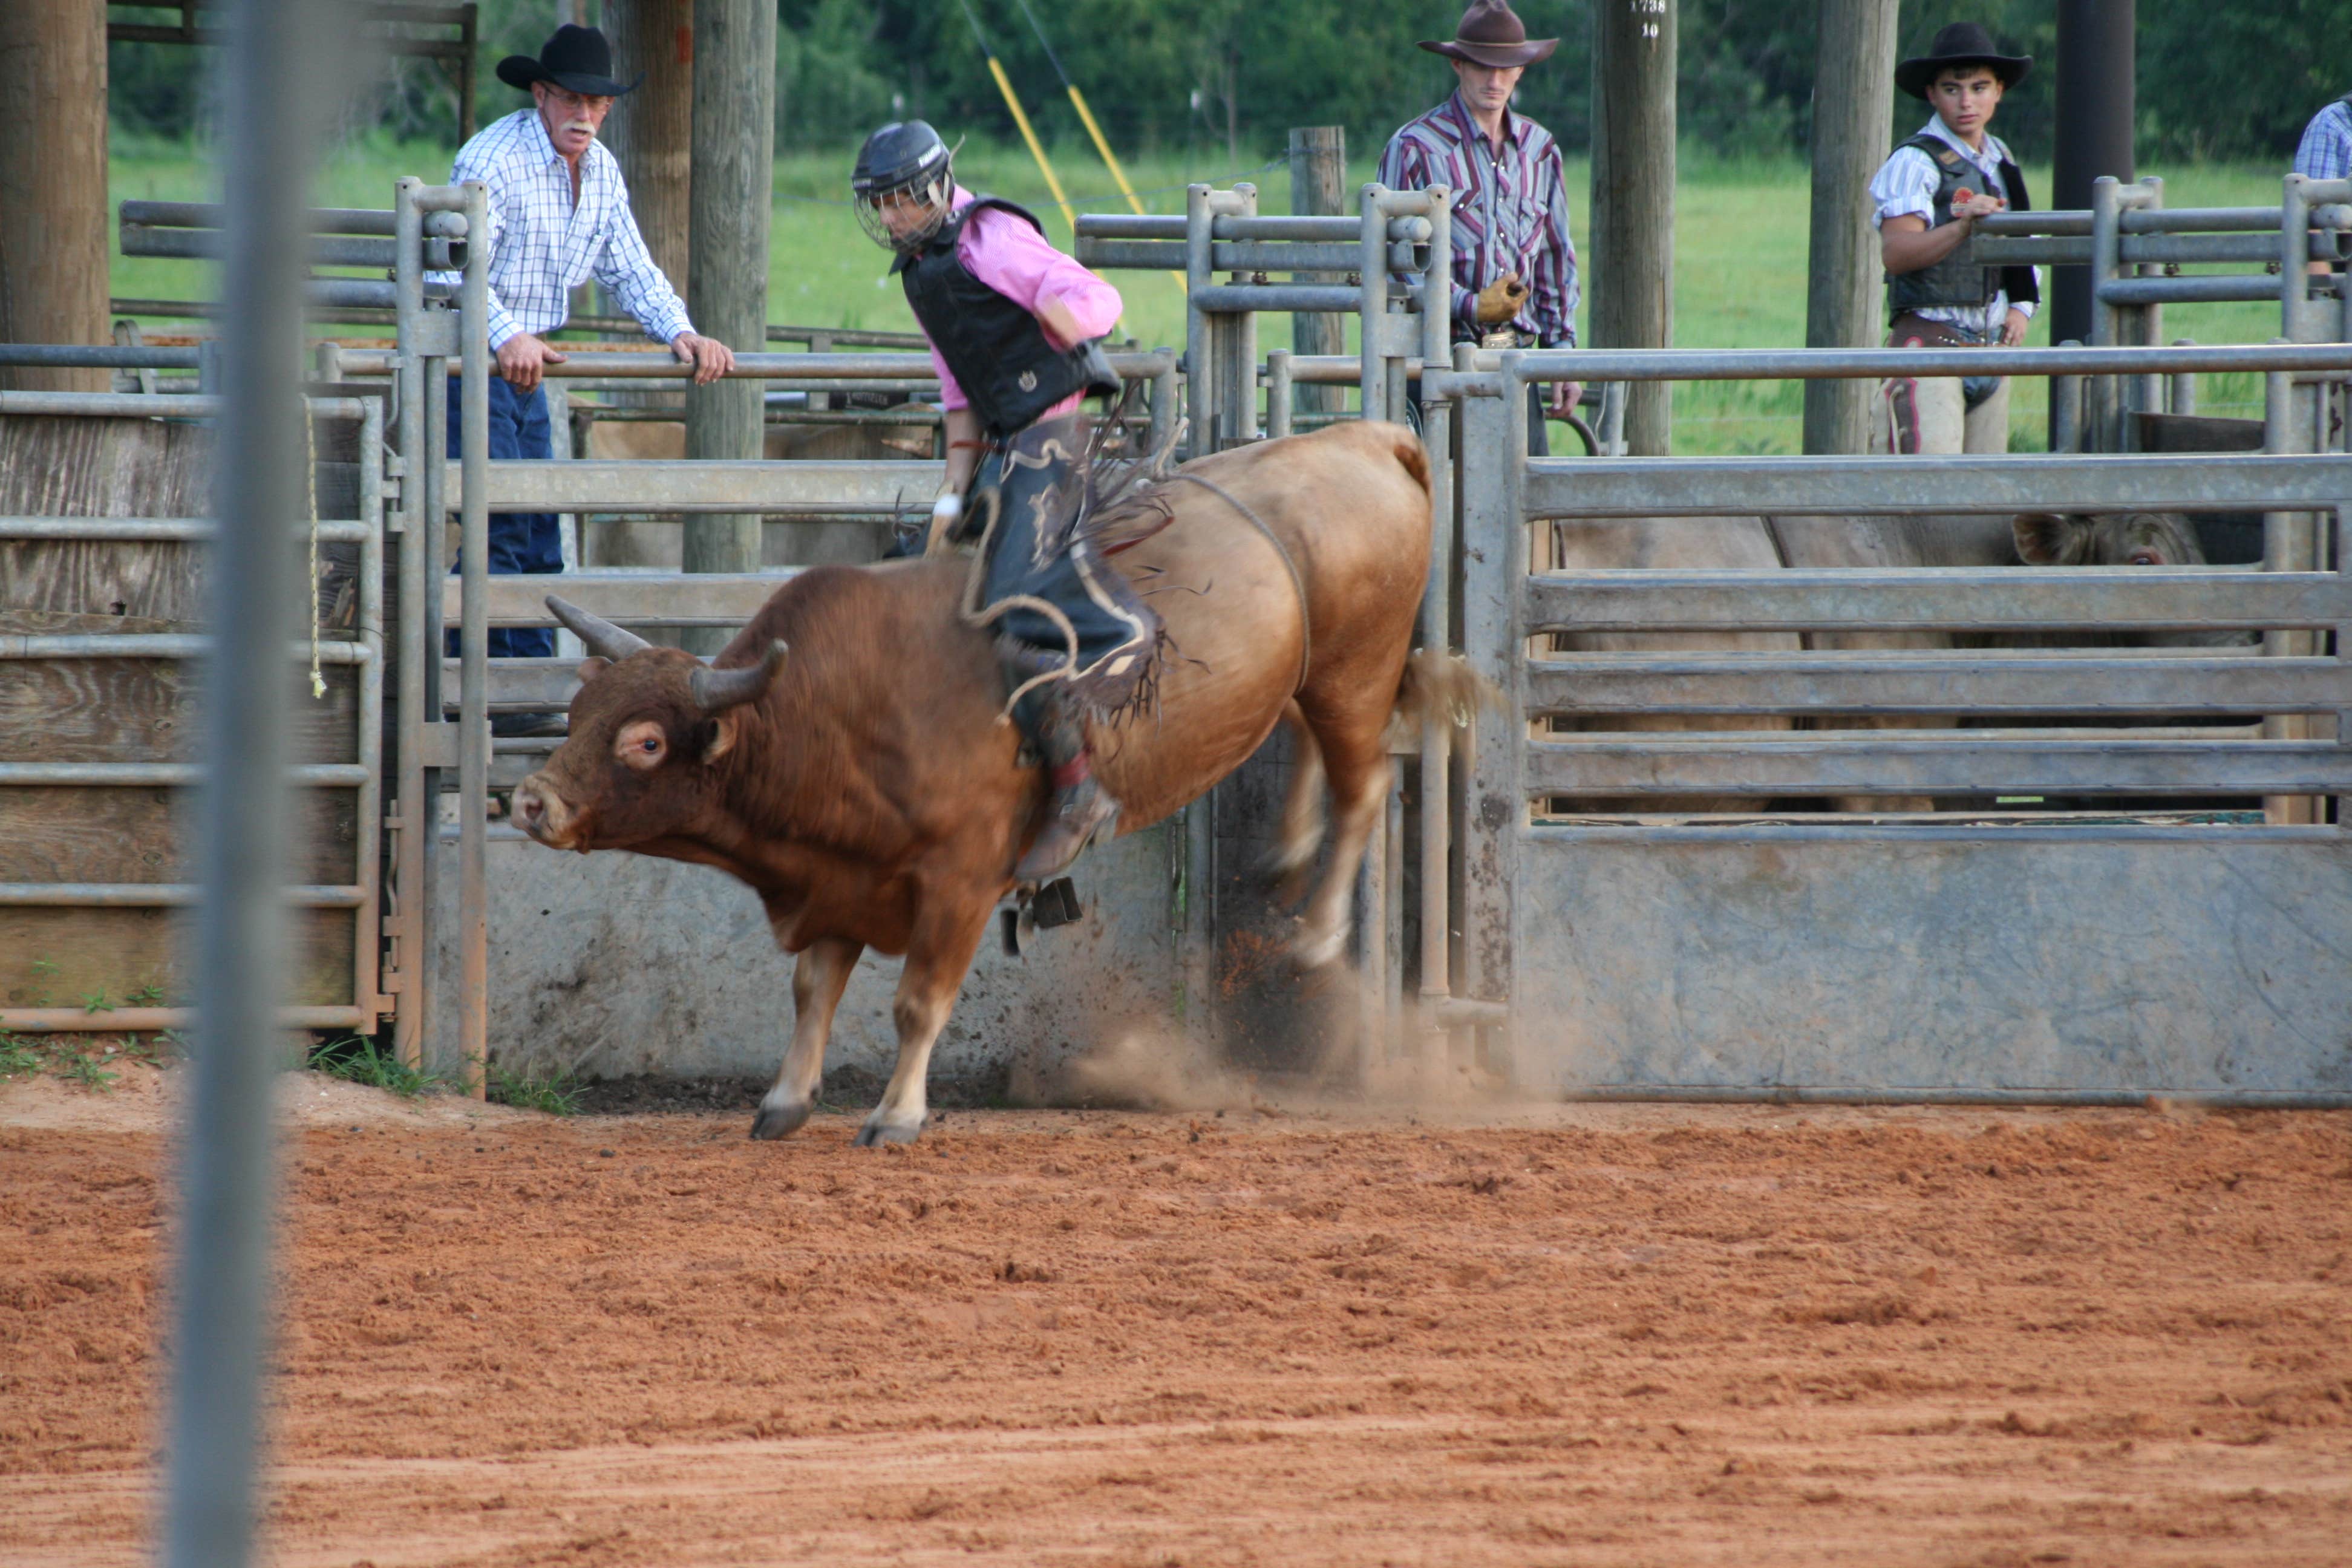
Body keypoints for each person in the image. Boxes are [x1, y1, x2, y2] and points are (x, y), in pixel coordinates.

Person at [851, 120, 1155, 883]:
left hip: (1050, 432)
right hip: (1000, 445)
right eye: (877, 206)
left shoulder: (992, 237)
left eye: (896, 202)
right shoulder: (924, 270)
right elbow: (958, 388)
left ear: (929, 189)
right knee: (936, 590)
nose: (887, 219)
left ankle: (1084, 775)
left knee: (1019, 600)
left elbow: (1094, 294)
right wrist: (952, 492)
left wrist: (1069, 316)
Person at [433, 24, 733, 724]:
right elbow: (441, 266)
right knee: (498, 530)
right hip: (466, 366)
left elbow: (630, 265)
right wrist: (506, 334)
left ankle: (527, 697)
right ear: (541, 94)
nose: (586, 116)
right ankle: (477, 700)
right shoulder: (492, 162)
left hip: (527, 371)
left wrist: (682, 331)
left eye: (599, 104)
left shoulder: (600, 172)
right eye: (571, 99)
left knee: (538, 535)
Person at [1377, 0, 1581, 452]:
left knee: (1524, 508)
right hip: (1433, 366)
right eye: (1482, 66)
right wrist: (1472, 306)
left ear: (1521, 71)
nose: (1494, 80)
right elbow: (1396, 265)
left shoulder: (1540, 150)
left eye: (1506, 68)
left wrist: (1563, 353)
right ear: (1458, 64)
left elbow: (1553, 256)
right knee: (1432, 514)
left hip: (1514, 364)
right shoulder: (1415, 148)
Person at [1868, 21, 2040, 456]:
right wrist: (1963, 227)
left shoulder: (2002, 158)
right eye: (1952, 89)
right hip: (1929, 350)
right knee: (1925, 499)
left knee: (1982, 504)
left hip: (1991, 352)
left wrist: (2021, 308)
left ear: (1998, 91)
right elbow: (1897, 253)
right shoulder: (1914, 161)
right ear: (1932, 94)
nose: (1967, 101)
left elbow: (2025, 236)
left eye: (1979, 88)